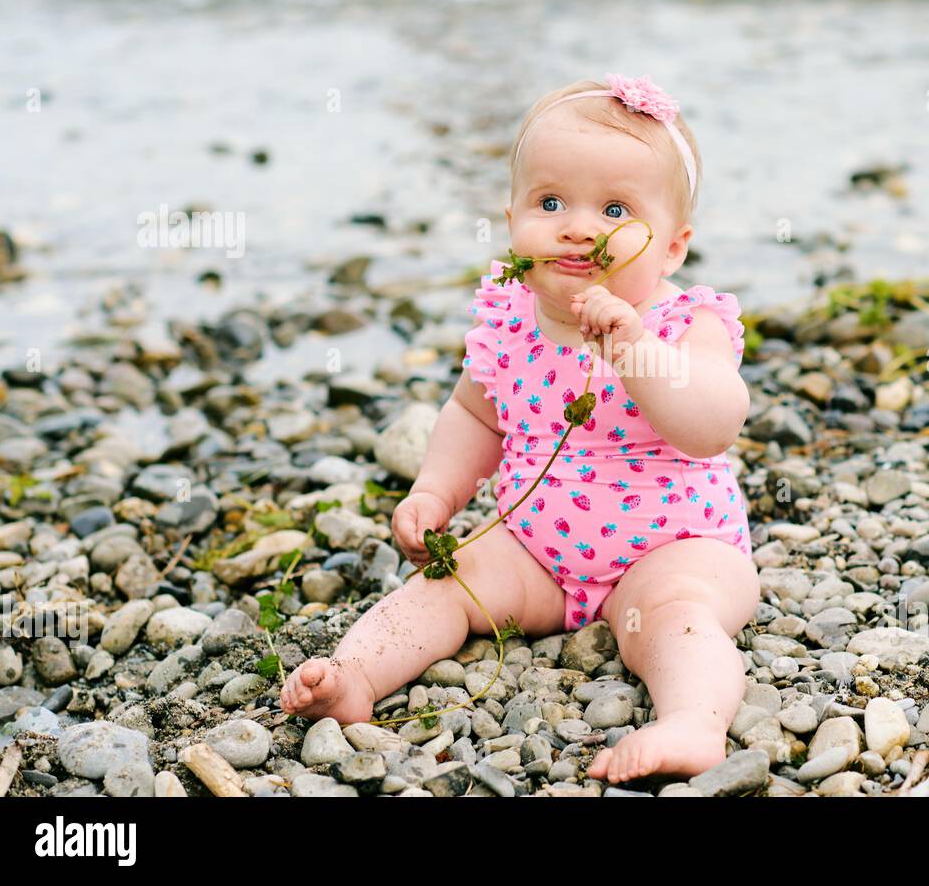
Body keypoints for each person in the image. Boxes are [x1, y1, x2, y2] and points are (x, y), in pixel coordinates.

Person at [281, 74, 759, 784]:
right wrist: (435, 495)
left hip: (674, 545)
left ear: (673, 248)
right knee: (445, 588)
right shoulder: (509, 322)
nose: (579, 226)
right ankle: (355, 676)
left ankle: (693, 721)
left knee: (678, 619)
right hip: (537, 553)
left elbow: (714, 424)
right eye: (551, 202)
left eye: (617, 209)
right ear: (511, 222)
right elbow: (474, 416)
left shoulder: (686, 324)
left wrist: (635, 351)